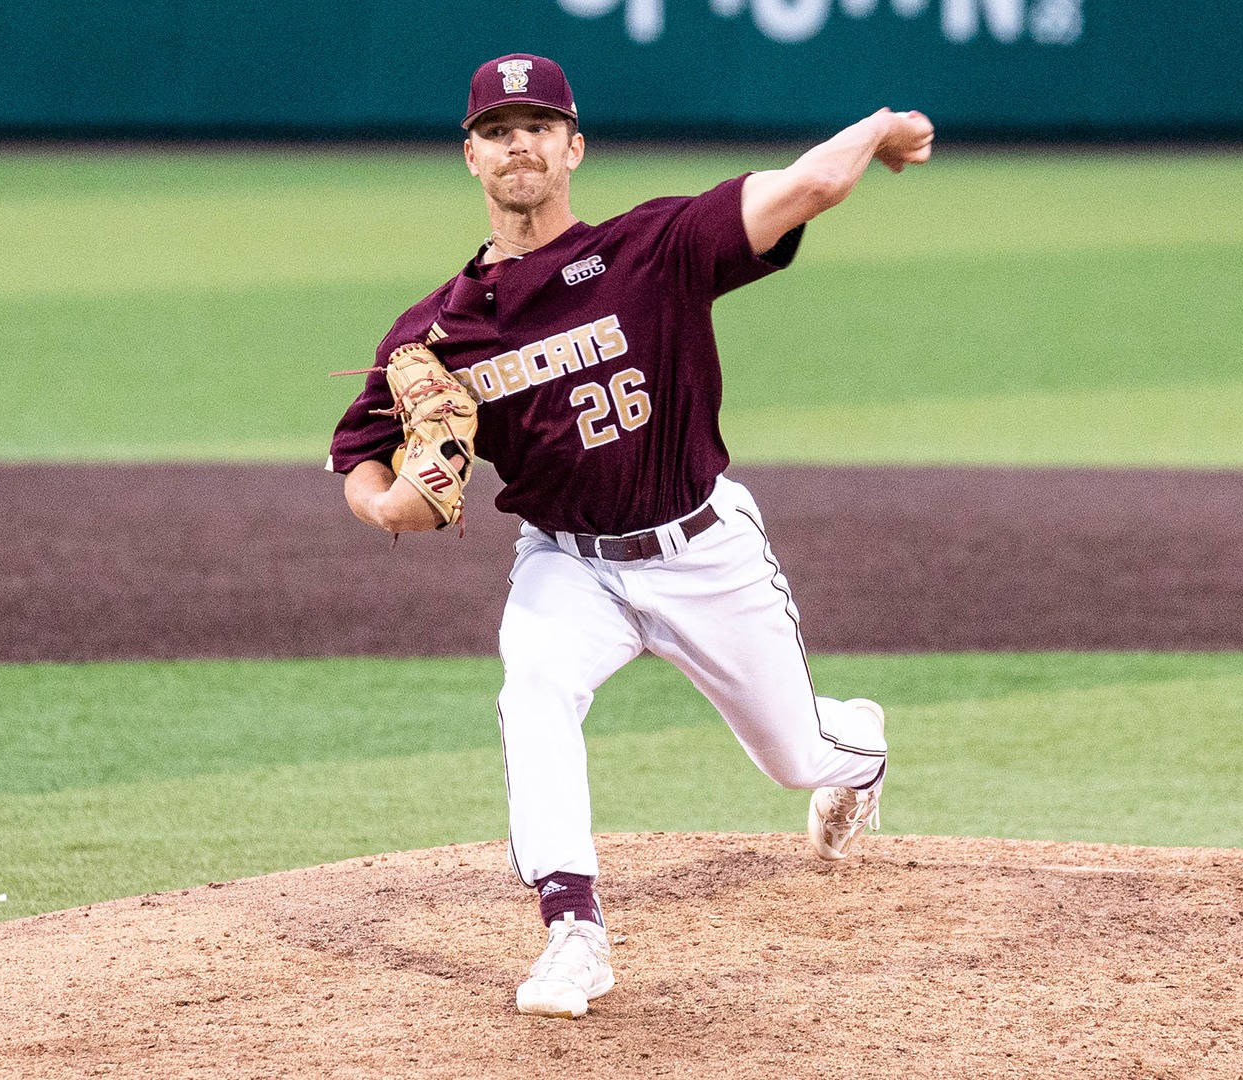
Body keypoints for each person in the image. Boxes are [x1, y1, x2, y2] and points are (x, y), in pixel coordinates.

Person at [327, 53, 933, 1018]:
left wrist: (885, 123)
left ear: (575, 146)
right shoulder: (436, 331)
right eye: (496, 130)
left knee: (798, 757)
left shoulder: (653, 246)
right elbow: (357, 452)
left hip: (705, 553)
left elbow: (813, 184)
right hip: (565, 563)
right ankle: (574, 931)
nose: (518, 144)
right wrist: (392, 506)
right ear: (470, 159)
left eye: (537, 126)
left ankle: (859, 748)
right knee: (533, 687)